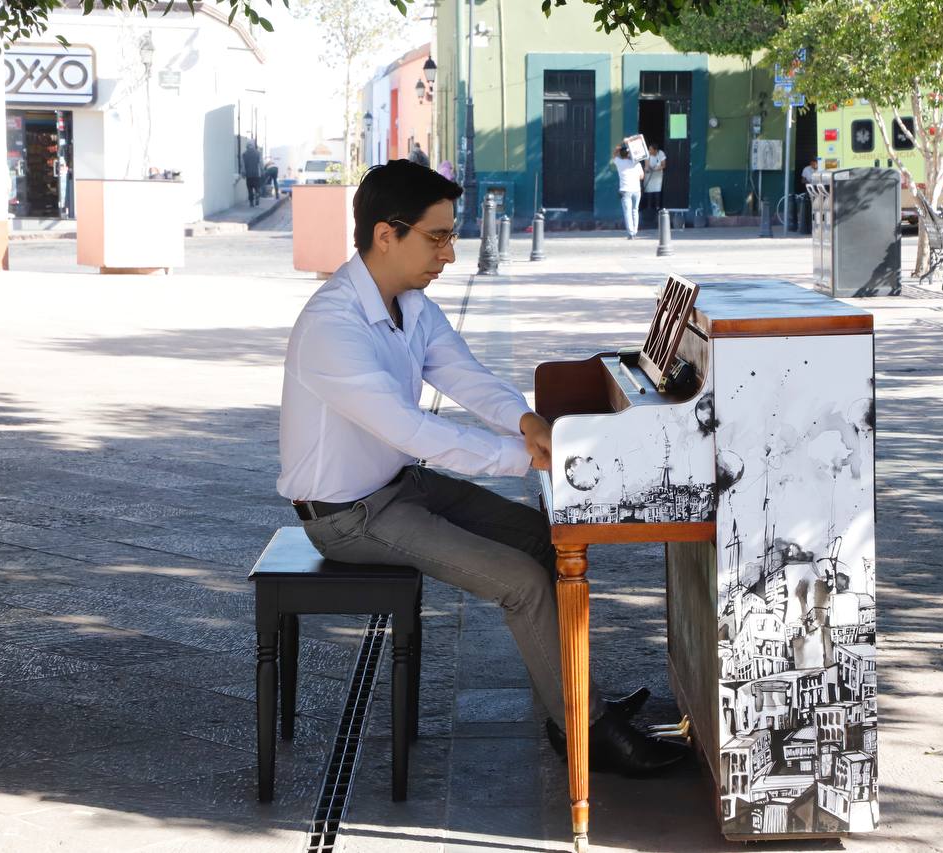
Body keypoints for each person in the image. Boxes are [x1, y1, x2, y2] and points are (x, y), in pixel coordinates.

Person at [277, 159, 689, 777]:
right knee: (520, 579)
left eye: (451, 236)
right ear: (386, 235)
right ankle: (589, 731)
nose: (449, 254)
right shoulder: (332, 326)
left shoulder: (409, 304)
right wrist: (528, 455)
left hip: (400, 487)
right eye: (437, 236)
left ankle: (571, 705)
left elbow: (466, 377)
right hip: (347, 517)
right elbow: (412, 430)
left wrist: (526, 423)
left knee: (547, 540)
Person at [613, 143, 643, 238]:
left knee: (627, 212)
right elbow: (642, 177)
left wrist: (618, 148)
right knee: (635, 210)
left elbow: (613, 155)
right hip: (636, 190)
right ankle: (635, 231)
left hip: (625, 190)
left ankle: (630, 233)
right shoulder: (636, 163)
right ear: (629, 154)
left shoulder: (619, 162)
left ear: (621, 154)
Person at [642, 143, 667, 221]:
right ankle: (649, 208)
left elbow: (664, 165)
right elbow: (646, 165)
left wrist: (657, 168)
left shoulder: (661, 153)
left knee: (657, 191)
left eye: (651, 149)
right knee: (649, 191)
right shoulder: (647, 154)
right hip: (649, 175)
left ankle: (657, 207)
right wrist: (648, 169)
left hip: (658, 176)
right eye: (649, 149)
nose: (649, 151)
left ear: (655, 150)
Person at [242, 140, 263, 207]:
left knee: (250, 189)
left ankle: (251, 203)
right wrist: (262, 171)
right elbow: (261, 163)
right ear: (253, 145)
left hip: (249, 175)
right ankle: (257, 194)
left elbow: (243, 165)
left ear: (247, 146)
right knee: (257, 187)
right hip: (256, 174)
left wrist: (243, 173)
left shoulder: (244, 154)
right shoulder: (258, 153)